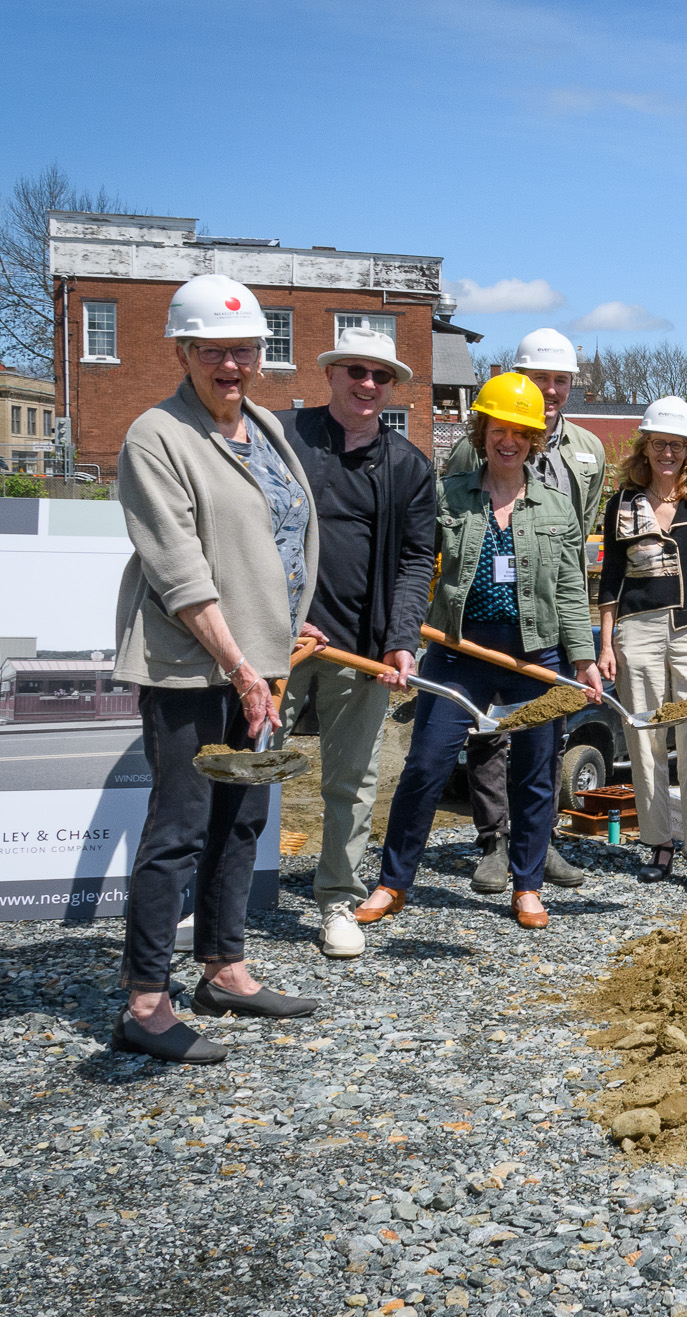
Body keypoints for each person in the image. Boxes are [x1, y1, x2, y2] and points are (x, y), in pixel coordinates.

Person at [109, 274, 321, 1064]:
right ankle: (145, 1000)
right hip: (192, 666)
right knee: (179, 827)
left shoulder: (261, 426)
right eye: (214, 351)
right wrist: (239, 664)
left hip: (261, 659)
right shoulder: (156, 436)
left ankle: (225, 968)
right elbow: (182, 570)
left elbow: (276, 537)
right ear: (183, 351)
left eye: (243, 350)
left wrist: (292, 619)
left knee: (245, 820)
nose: (231, 364)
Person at [357, 373, 602, 931]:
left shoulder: (557, 508)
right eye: (498, 428)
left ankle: (528, 886)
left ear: (535, 439)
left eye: (520, 432)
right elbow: (417, 567)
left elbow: (568, 589)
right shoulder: (450, 497)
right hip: (459, 648)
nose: (508, 441)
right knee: (426, 764)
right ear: (482, 430)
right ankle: (393, 882)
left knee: (536, 772)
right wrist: (403, 636)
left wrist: (582, 659)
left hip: (535, 655)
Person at [274, 327, 438, 960]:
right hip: (279, 643)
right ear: (331, 374)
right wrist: (282, 615)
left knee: (352, 781)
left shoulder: (407, 466)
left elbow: (416, 560)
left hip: (360, 651)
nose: (368, 384)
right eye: (356, 372)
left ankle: (336, 900)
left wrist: (399, 640)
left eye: (380, 375)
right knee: (248, 766)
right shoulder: (284, 439)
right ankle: (213, 898)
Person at [444, 328, 605, 895]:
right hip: (489, 613)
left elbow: (578, 537)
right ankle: (493, 841)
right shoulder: (481, 441)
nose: (552, 390)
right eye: (541, 380)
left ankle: (539, 841)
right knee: (488, 728)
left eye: (561, 380)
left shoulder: (588, 450)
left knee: (547, 729)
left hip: (549, 611)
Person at [595, 396, 687, 894]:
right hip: (638, 629)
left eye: (677, 446)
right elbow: (610, 578)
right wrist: (606, 642)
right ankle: (659, 841)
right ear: (646, 446)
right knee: (644, 736)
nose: (667, 453)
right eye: (660, 444)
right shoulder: (622, 502)